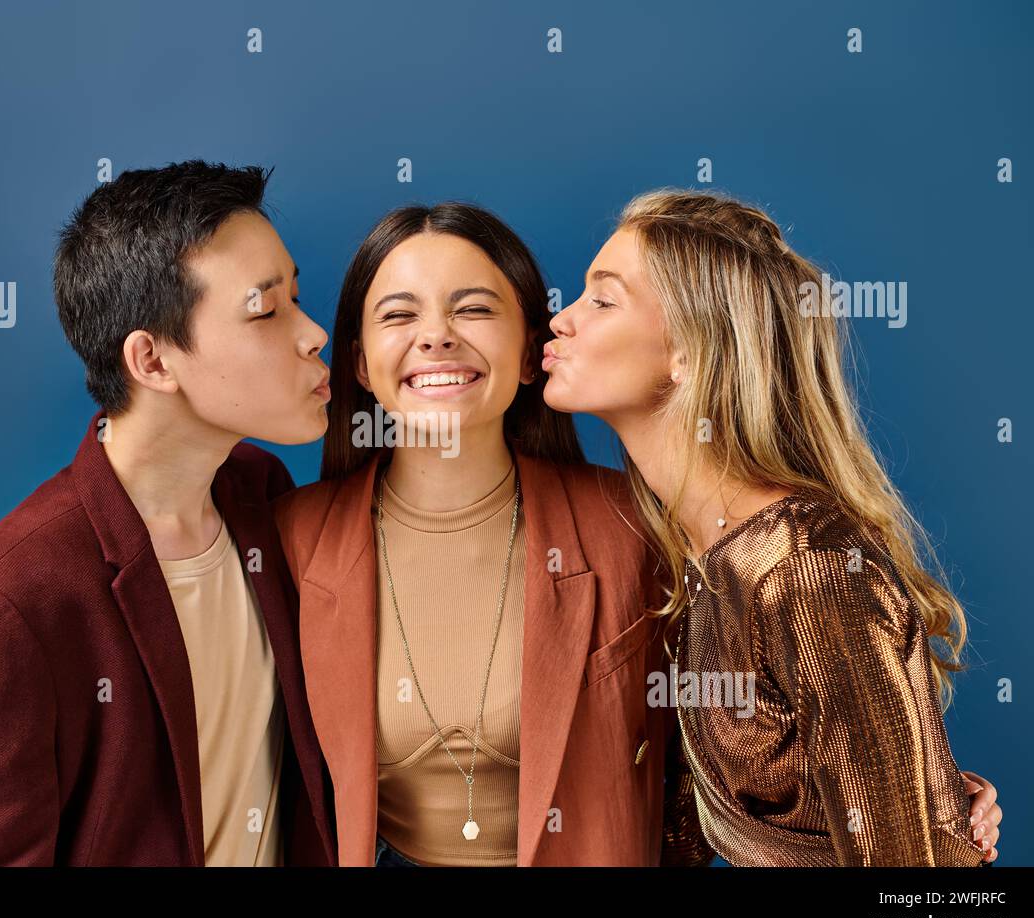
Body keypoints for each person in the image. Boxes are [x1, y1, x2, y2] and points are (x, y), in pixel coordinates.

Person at [542, 188, 1002, 865]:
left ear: (691, 353)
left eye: (602, 300)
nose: (563, 320)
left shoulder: (806, 569)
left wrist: (929, 812)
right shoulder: (700, 556)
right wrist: (931, 786)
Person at [0, 160, 337, 866]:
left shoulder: (261, 493)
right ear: (153, 361)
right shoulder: (8, 605)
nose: (314, 332)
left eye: (297, 296)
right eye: (266, 311)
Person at [274, 202, 710, 866]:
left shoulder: (633, 523)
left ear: (533, 354)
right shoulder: (292, 535)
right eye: (399, 315)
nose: (436, 336)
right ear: (362, 367)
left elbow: (698, 773)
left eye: (473, 309)